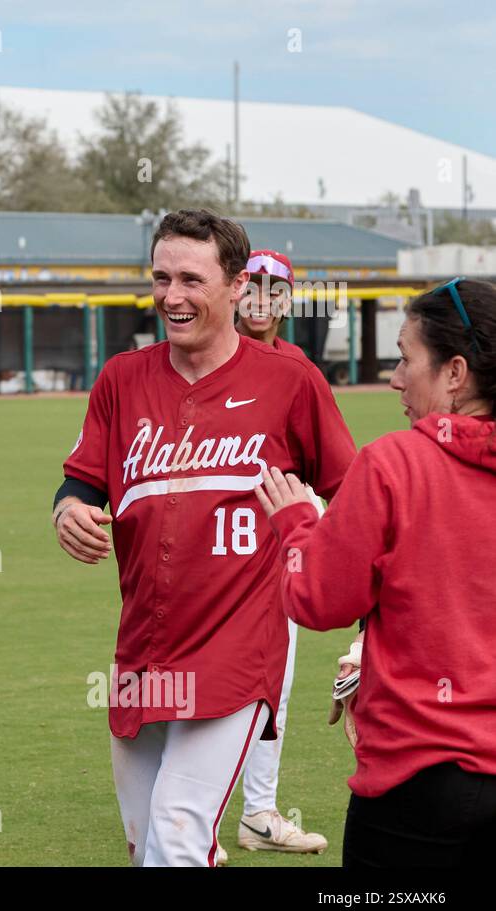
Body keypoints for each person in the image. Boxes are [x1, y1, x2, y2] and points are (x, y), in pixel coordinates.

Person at [53, 209, 356, 867]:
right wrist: (69, 512)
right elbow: (80, 483)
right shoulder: (122, 379)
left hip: (237, 650)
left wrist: (372, 625)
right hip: (142, 650)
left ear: (236, 285)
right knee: (147, 846)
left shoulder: (290, 382)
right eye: (160, 278)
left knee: (177, 830)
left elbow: (356, 501)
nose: (171, 296)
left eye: (191, 278)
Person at [256, 277, 496, 867]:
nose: (393, 378)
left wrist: (295, 522)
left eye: (404, 358)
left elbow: (317, 601)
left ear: (455, 373)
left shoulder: (394, 463)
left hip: (413, 779)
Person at [229, 249, 334, 856]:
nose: (264, 299)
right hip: (206, 551)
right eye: (254, 286)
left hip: (273, 551)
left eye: (277, 289)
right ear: (236, 290)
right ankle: (180, 808)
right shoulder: (204, 359)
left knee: (278, 682)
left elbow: (332, 468)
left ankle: (259, 812)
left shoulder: (299, 369)